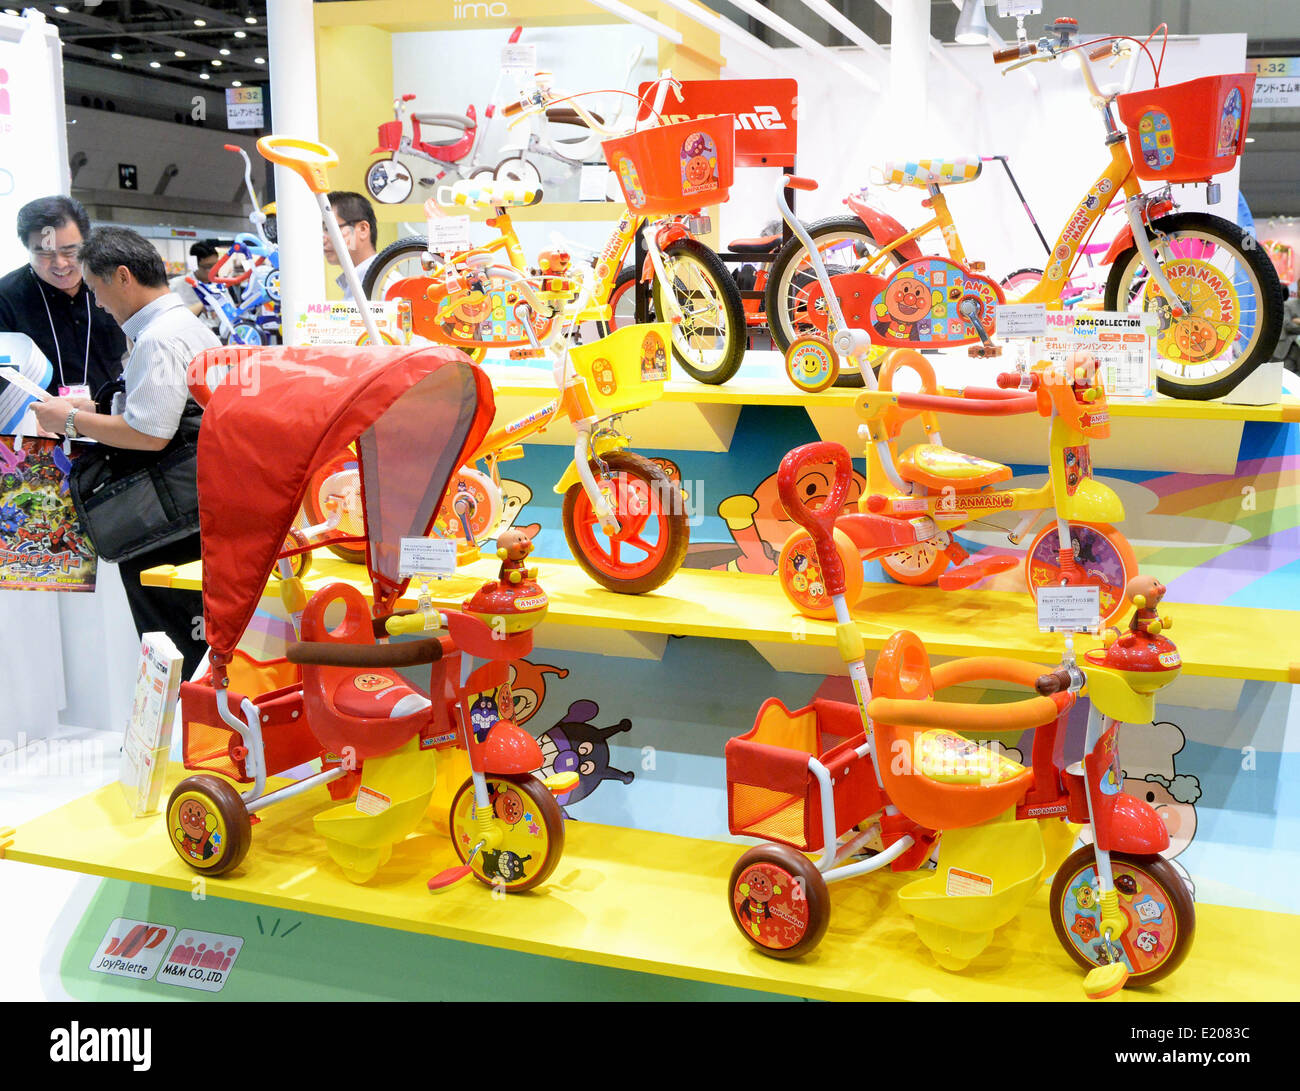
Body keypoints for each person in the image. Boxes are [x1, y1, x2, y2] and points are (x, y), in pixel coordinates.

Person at [32, 227, 218, 677]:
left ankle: (179, 738)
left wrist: (70, 421)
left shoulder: (158, 337)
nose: (96, 302)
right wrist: (96, 407)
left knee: (168, 633)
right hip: (190, 505)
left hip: (164, 518)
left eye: (95, 288)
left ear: (122, 277)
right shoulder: (185, 326)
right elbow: (169, 409)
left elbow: (149, 434)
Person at [0, 195, 127, 397]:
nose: (59, 264)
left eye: (69, 251)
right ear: (27, 249)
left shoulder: (114, 285)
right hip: (37, 424)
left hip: (108, 419)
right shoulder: (6, 298)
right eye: (44, 253)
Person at [322, 191, 377, 300]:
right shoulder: (353, 285)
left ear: (362, 229)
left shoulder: (386, 287)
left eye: (328, 228)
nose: (323, 240)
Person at [168, 240, 222, 333]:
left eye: (216, 266)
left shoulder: (219, 285)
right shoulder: (176, 286)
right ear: (195, 265)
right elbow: (170, 320)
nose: (214, 271)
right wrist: (202, 305)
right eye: (208, 267)